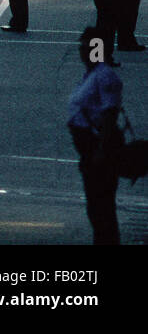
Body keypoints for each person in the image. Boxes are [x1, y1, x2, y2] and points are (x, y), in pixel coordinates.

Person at [68, 26, 124, 244]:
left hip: (97, 148)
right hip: (87, 149)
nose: (82, 52)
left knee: (101, 206)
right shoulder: (90, 74)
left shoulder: (104, 76)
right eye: (81, 47)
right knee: (95, 205)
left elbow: (110, 115)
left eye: (87, 48)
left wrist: (101, 150)